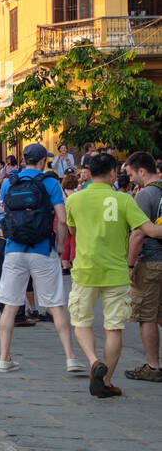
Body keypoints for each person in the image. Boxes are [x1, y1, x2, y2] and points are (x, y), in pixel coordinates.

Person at [66, 152, 162, 397]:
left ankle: (93, 361)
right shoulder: (124, 200)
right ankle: (106, 380)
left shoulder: (74, 200)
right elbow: (150, 230)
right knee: (113, 329)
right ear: (111, 173)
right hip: (117, 273)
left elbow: (72, 229)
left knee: (81, 323)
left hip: (85, 270)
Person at [0, 144, 84, 374]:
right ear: (43, 160)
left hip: (14, 249)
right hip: (43, 249)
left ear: (24, 160)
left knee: (10, 306)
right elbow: (62, 220)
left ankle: (4, 359)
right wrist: (60, 246)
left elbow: (5, 215)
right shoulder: (51, 183)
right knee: (55, 305)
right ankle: (70, 358)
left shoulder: (9, 183)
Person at [124, 151, 162, 382]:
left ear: (141, 170)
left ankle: (153, 366)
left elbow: (138, 234)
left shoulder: (144, 195)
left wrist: (129, 264)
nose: (130, 180)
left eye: (131, 174)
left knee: (146, 316)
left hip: (150, 260)